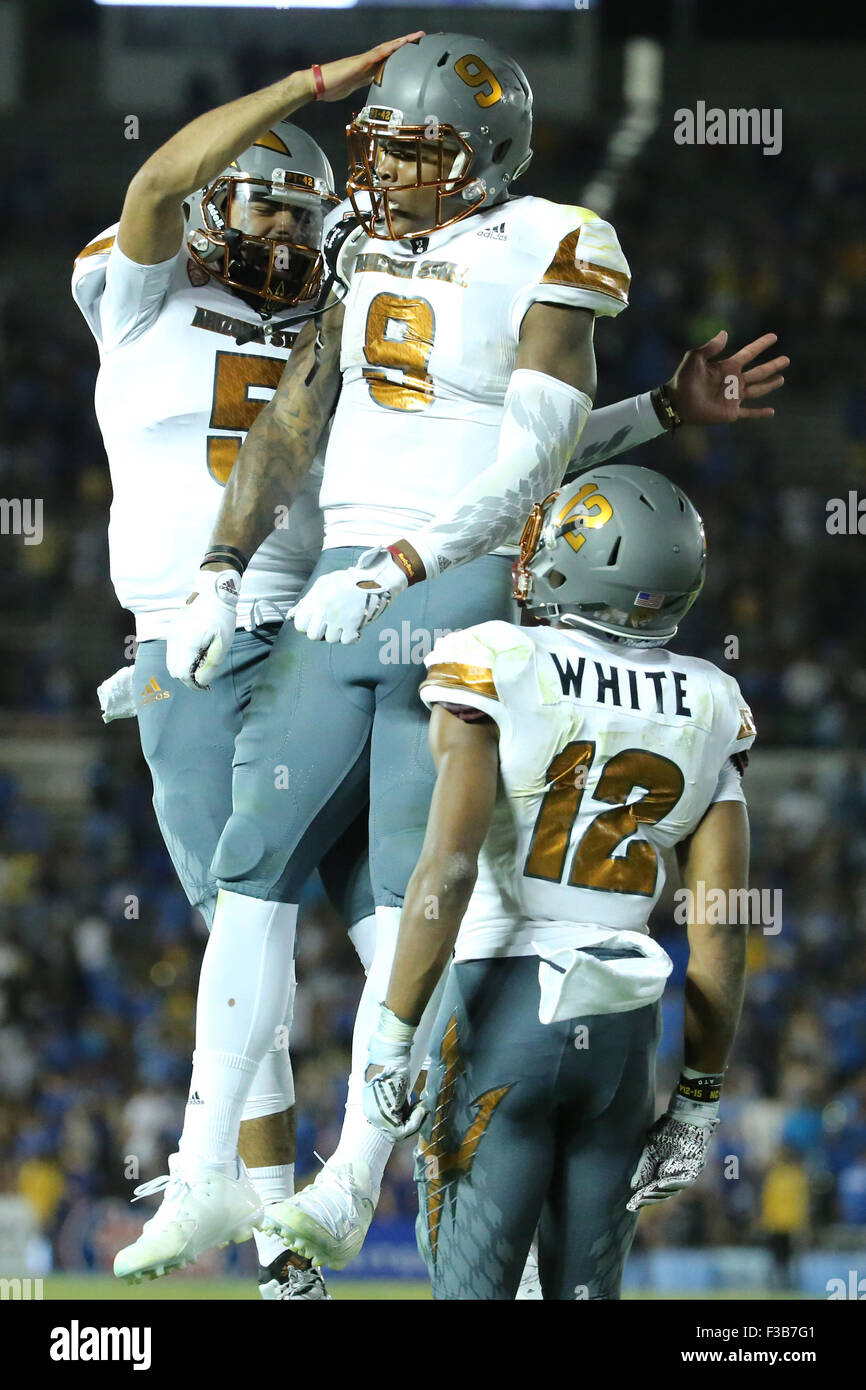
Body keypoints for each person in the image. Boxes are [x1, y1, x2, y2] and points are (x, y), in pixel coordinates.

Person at [153, 31, 785, 1276]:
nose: (386, 171)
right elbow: (298, 412)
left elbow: (534, 460)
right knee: (251, 872)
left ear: (491, 156)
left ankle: (349, 1179)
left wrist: (403, 565)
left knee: (415, 892)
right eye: (379, 144)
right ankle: (203, 1166)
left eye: (422, 150)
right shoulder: (359, 242)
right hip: (345, 584)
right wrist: (224, 562)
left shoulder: (554, 239)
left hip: (459, 592)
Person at [71, 31, 424, 1298]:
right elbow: (155, 191)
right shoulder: (142, 290)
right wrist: (308, 93)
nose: (281, 216)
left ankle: (348, 1207)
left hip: (323, 632)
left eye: (300, 198)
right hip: (200, 641)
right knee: (248, 937)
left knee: (381, 928)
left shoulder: (344, 332)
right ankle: (284, 1239)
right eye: (264, 191)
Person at [362, 465, 756, 1300]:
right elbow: (718, 919)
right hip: (623, 1027)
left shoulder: (497, 659)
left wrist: (393, 1036)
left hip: (503, 1007)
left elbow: (450, 865)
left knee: (475, 1290)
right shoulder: (714, 699)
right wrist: (697, 1103)